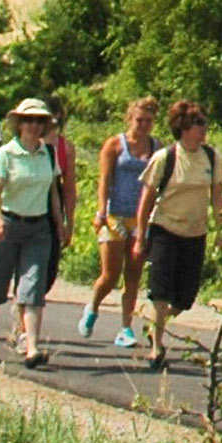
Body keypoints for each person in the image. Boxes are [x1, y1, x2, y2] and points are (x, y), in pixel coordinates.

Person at [0, 97, 66, 367]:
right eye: (29, 120)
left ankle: (32, 348)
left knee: (33, 288)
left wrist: (59, 223)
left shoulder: (48, 153)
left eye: (40, 121)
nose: (34, 126)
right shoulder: (5, 154)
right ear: (19, 123)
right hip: (8, 225)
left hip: (38, 227)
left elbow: (52, 192)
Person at [133, 101, 222, 372]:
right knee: (160, 289)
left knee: (185, 296)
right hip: (165, 229)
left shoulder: (212, 157)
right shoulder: (166, 157)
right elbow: (146, 199)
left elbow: (217, 200)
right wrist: (141, 237)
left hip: (195, 232)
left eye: (204, 124)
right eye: (199, 124)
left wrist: (221, 232)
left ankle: (156, 325)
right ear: (184, 128)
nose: (203, 130)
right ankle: (156, 347)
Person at [81, 96, 162, 348]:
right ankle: (93, 305)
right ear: (130, 119)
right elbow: (104, 180)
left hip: (140, 217)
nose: (143, 125)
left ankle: (126, 328)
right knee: (110, 273)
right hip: (115, 213)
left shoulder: (157, 147)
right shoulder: (115, 145)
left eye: (148, 121)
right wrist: (101, 211)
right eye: (139, 120)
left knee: (134, 274)